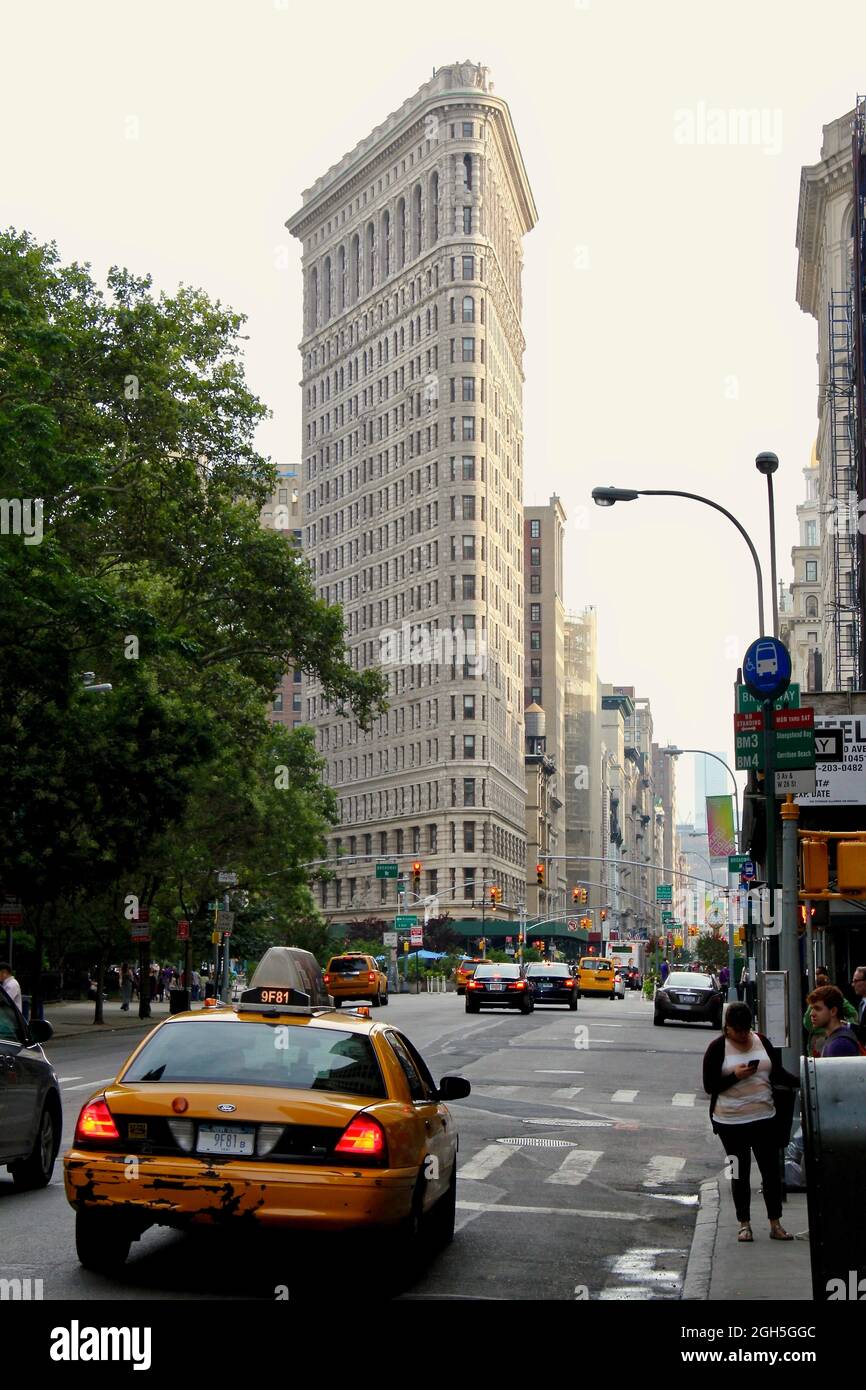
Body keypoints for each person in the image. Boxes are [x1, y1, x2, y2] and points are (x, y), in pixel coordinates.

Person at [703, 1000, 799, 1243]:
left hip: (764, 1117)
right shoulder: (717, 1048)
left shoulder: (761, 1041)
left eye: (747, 1029)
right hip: (730, 1122)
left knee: (770, 1172)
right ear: (728, 1028)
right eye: (739, 1031)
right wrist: (735, 1076)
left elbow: (776, 1072)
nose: (744, 1035)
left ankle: (775, 1223)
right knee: (739, 1172)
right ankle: (744, 1224)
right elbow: (710, 1085)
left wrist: (805, 1079)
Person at [803, 972, 857, 1055]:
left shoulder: (839, 1045)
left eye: (817, 1009)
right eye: (812, 1008)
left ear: (833, 1011)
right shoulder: (837, 1039)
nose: (812, 1014)